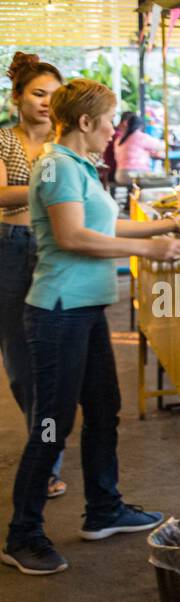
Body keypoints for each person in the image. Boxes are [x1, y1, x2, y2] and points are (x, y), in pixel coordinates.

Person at [3, 79, 180, 575]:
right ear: (86, 122)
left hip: (84, 311)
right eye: (109, 120)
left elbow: (103, 226)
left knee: (104, 408)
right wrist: (149, 249)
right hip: (58, 313)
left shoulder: (79, 165)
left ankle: (104, 509)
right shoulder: (58, 166)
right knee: (51, 425)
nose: (114, 129)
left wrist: (163, 227)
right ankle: (22, 534)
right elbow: (72, 236)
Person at [0, 52, 65, 501]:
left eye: (54, 95)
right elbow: (1, 196)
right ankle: (41, 452)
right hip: (10, 249)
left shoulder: (67, 142)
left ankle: (47, 457)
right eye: (38, 93)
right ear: (17, 97)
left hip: (57, 252)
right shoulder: (4, 141)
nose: (46, 102)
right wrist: (51, 190)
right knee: (22, 366)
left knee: (54, 364)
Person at [110, 111, 164, 186]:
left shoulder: (119, 139)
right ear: (140, 126)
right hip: (136, 175)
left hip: (119, 175)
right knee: (160, 180)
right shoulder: (140, 137)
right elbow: (161, 146)